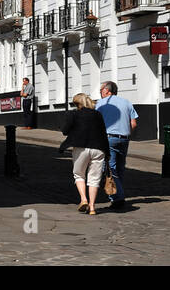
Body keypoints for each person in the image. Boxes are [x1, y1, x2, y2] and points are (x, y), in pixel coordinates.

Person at [57, 92, 109, 215]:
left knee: (79, 175)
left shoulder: (73, 114)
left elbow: (65, 131)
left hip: (81, 148)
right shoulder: (98, 114)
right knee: (94, 179)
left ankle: (84, 199)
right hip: (99, 148)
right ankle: (92, 207)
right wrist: (107, 152)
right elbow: (103, 133)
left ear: (77, 103)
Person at [97, 81, 138, 210]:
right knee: (120, 168)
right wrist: (126, 134)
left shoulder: (101, 104)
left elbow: (96, 122)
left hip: (109, 138)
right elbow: (134, 124)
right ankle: (117, 193)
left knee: (110, 168)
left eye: (101, 90)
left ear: (107, 91)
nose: (100, 92)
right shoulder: (126, 102)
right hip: (124, 138)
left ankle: (117, 197)